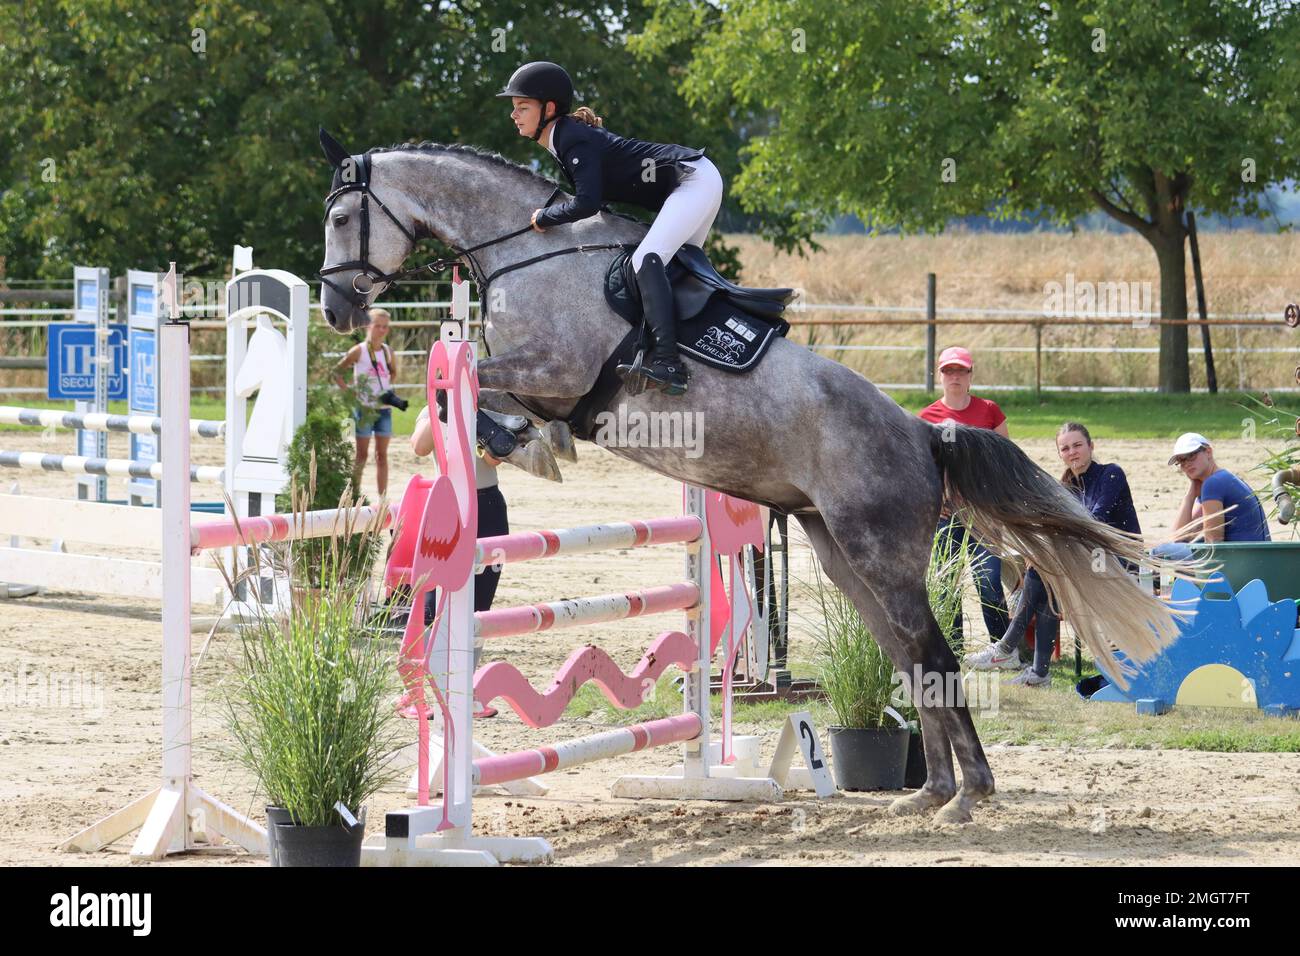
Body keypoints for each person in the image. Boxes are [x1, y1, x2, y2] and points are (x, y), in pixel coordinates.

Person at [500, 60, 722, 396]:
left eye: (522, 107)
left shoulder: (572, 138)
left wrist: (544, 217)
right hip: (696, 178)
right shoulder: (565, 139)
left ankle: (670, 364)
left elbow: (588, 204)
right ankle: (688, 351)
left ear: (548, 108)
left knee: (646, 260)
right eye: (514, 108)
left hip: (690, 180)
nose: (514, 115)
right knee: (678, 270)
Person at [967, 422, 1141, 687]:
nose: (1073, 452)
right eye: (1065, 448)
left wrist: (1044, 553)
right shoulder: (1065, 486)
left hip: (1117, 561)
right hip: (1086, 563)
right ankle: (1037, 673)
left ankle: (1007, 648)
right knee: (1045, 579)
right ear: (1060, 454)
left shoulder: (1111, 474)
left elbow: (1093, 521)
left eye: (1078, 445)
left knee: (1042, 571)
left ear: (1091, 447)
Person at [411, 404, 510, 717]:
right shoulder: (432, 407)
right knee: (431, 607)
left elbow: (493, 459)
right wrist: (444, 407)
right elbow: (420, 446)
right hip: (446, 505)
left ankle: (463, 692)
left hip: (487, 504)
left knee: (479, 605)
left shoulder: (488, 409)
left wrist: (481, 420)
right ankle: (419, 693)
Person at [918, 346, 1011, 645]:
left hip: (984, 512)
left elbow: (1006, 460)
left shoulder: (989, 411)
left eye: (961, 371)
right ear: (939, 376)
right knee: (947, 584)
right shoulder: (927, 417)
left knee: (988, 581)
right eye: (948, 371)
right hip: (946, 515)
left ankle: (1002, 647)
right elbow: (922, 468)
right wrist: (938, 497)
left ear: (971, 375)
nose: (954, 376)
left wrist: (997, 506)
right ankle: (954, 650)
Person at [1153, 433, 1271, 560]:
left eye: (1191, 456)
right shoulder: (1223, 478)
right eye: (1181, 460)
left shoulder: (1213, 484)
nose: (1186, 464)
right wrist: (1190, 496)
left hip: (1241, 560)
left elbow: (1213, 543)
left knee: (1159, 552)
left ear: (1208, 452)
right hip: (1257, 558)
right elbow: (1181, 536)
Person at [334, 308, 399, 498]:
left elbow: (393, 372)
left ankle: (382, 499)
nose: (381, 330)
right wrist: (349, 391)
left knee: (382, 455)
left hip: (384, 410)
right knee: (361, 456)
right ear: (367, 327)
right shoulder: (358, 351)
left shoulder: (388, 351)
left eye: (385, 327)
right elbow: (337, 371)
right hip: (363, 409)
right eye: (377, 326)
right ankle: (353, 496)